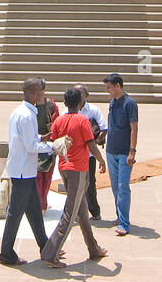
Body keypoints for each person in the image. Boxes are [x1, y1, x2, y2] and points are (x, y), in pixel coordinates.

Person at [0, 78, 64, 266]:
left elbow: (26, 138)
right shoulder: (27, 116)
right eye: (41, 92)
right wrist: (53, 146)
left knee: (34, 210)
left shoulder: (20, 112)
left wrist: (40, 137)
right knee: (15, 213)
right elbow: (31, 146)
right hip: (22, 171)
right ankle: (6, 253)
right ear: (33, 93)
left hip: (24, 169)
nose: (43, 96)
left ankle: (45, 246)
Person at [42, 87, 108, 267]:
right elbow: (92, 145)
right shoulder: (82, 120)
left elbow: (54, 142)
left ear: (65, 103)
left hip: (64, 168)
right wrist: (101, 160)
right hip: (78, 169)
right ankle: (50, 253)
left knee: (81, 210)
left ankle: (93, 249)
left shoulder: (59, 121)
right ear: (80, 103)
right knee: (70, 214)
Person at [102, 73, 139, 236]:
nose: (108, 91)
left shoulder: (130, 104)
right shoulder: (112, 102)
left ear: (118, 86)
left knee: (123, 187)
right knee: (115, 186)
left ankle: (124, 223)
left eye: (109, 87)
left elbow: (134, 128)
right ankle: (120, 215)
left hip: (124, 152)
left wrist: (132, 151)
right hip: (111, 150)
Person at [75, 82, 107, 220]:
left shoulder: (93, 110)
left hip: (89, 154)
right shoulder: (69, 110)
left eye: (81, 93)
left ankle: (95, 211)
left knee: (90, 184)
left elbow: (104, 127)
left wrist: (95, 139)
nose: (78, 96)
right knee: (75, 185)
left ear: (86, 95)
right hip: (75, 155)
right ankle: (76, 213)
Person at [34, 84, 61, 211]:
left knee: (38, 176)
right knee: (45, 175)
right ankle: (42, 203)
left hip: (38, 145)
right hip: (47, 145)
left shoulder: (30, 106)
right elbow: (56, 125)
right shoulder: (51, 105)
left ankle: (41, 203)